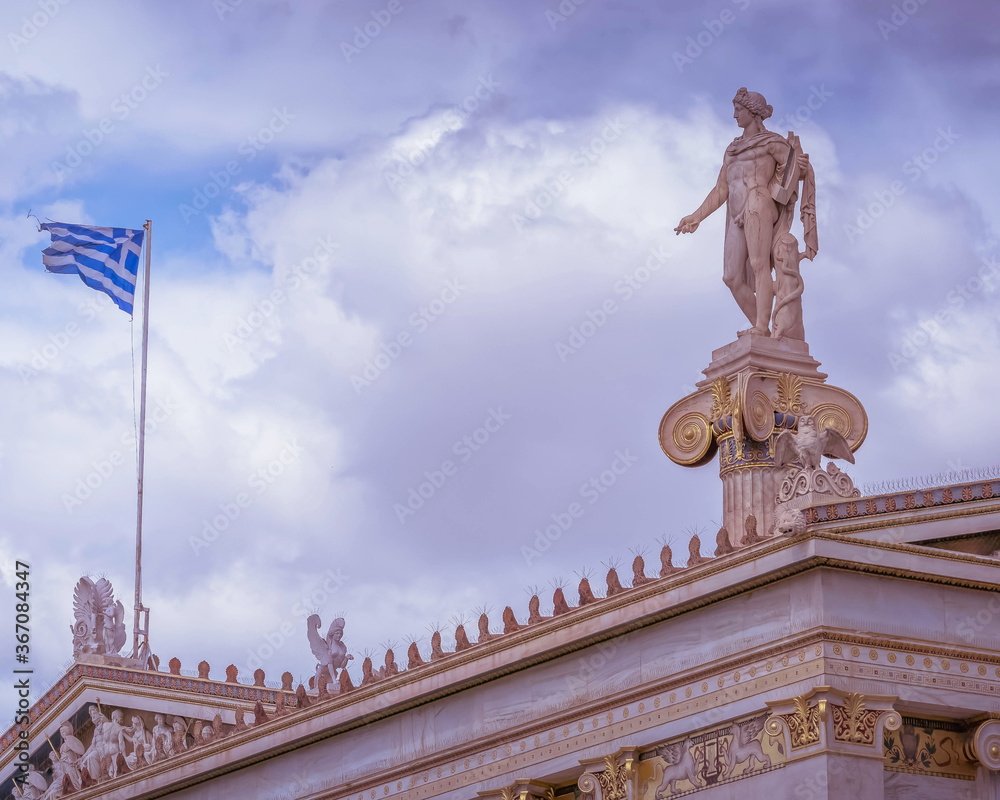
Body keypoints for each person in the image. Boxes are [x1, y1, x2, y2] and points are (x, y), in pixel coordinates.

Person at [675, 88, 816, 335]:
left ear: (753, 112)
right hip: (736, 213)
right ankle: (766, 332)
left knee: (760, 265)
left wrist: (802, 167)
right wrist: (696, 216)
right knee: (731, 277)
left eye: (739, 110)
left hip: (759, 202)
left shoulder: (772, 142)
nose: (734, 115)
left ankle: (761, 327)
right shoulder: (732, 150)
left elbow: (795, 171)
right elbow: (721, 189)